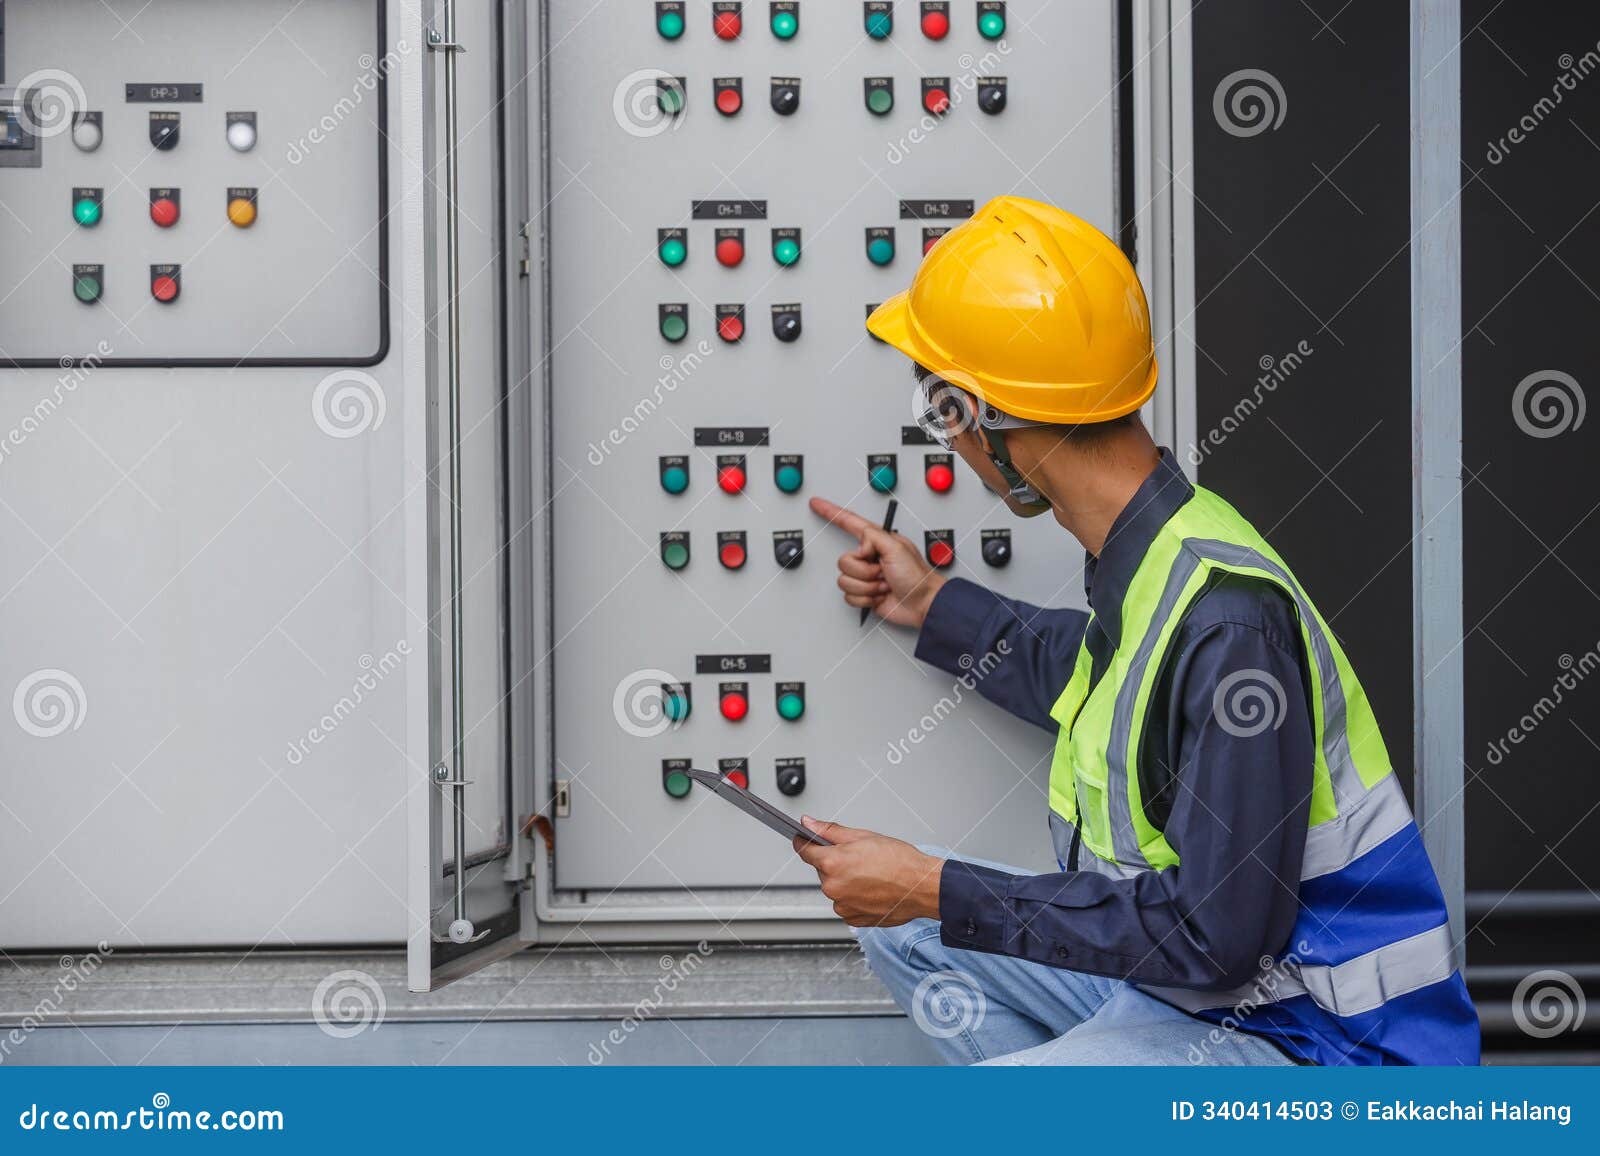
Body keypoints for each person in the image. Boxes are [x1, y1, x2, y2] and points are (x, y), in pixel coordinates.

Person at [795, 196, 1479, 1066]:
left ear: (976, 414)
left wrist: (934, 885)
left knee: (953, 968)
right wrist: (933, 603)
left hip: (1322, 1042)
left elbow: (1219, 935)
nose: (948, 443)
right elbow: (1102, 691)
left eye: (941, 412)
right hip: (1201, 997)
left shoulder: (1228, 620)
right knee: (912, 935)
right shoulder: (1154, 547)